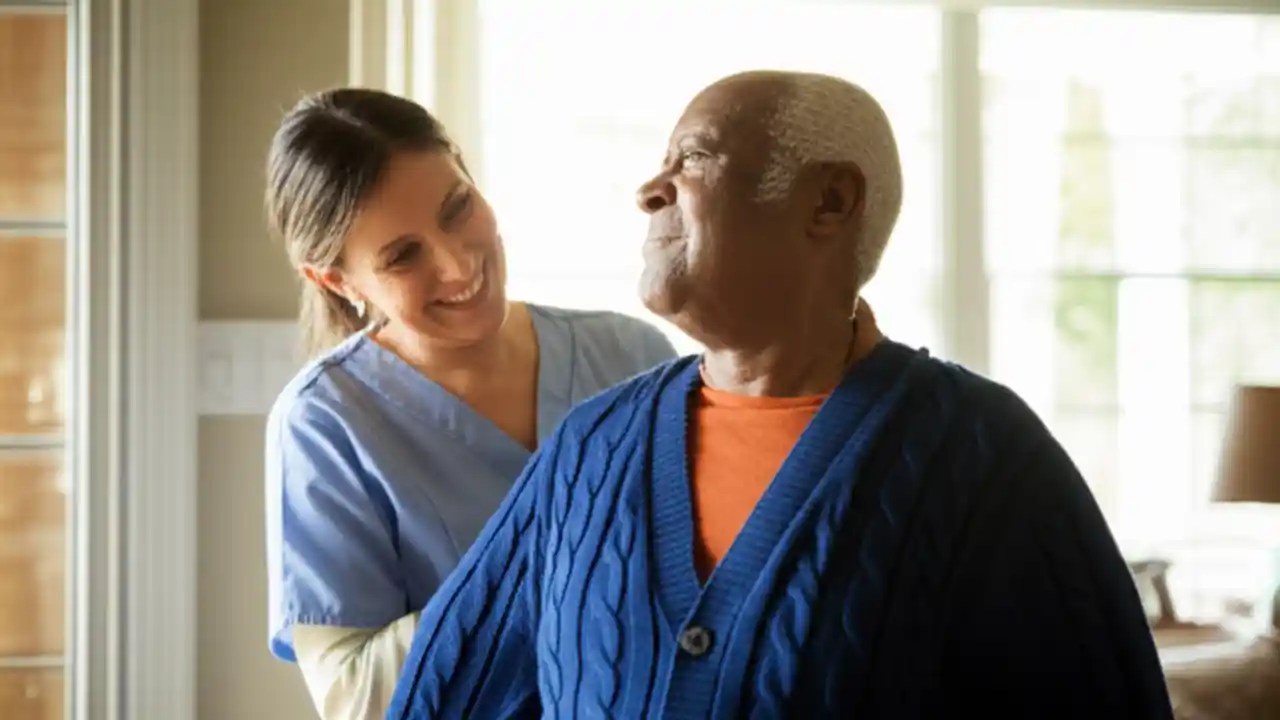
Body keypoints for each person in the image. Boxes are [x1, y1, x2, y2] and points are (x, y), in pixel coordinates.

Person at [387, 70, 1175, 719]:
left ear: (829, 203)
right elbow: (442, 695)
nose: (648, 191)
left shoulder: (984, 457)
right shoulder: (589, 450)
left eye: (691, 159)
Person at [261, 88, 677, 719]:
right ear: (336, 281)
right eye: (403, 256)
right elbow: (355, 699)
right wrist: (553, 556)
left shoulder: (632, 354)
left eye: (457, 209)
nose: (458, 266)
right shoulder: (326, 423)